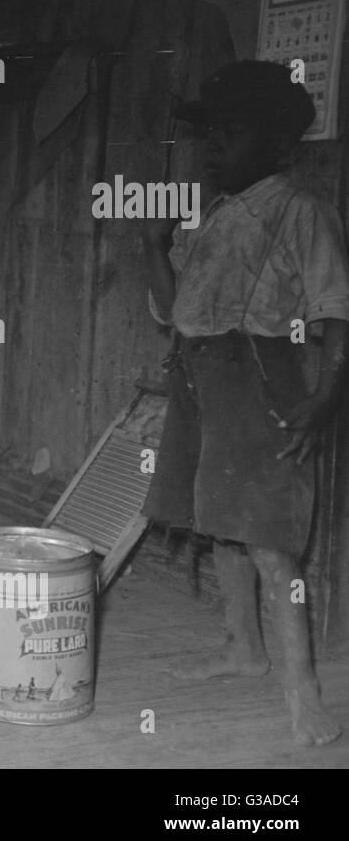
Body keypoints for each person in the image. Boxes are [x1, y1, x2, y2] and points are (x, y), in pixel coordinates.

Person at [141, 60, 348, 745]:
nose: (213, 147)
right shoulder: (213, 216)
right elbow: (176, 314)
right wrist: (153, 249)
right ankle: (242, 646)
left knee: (268, 543)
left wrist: (323, 395)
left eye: (231, 133)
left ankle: (305, 694)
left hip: (262, 378)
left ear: (278, 147)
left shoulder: (300, 209)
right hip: (201, 379)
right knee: (220, 523)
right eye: (209, 135)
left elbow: (335, 307)